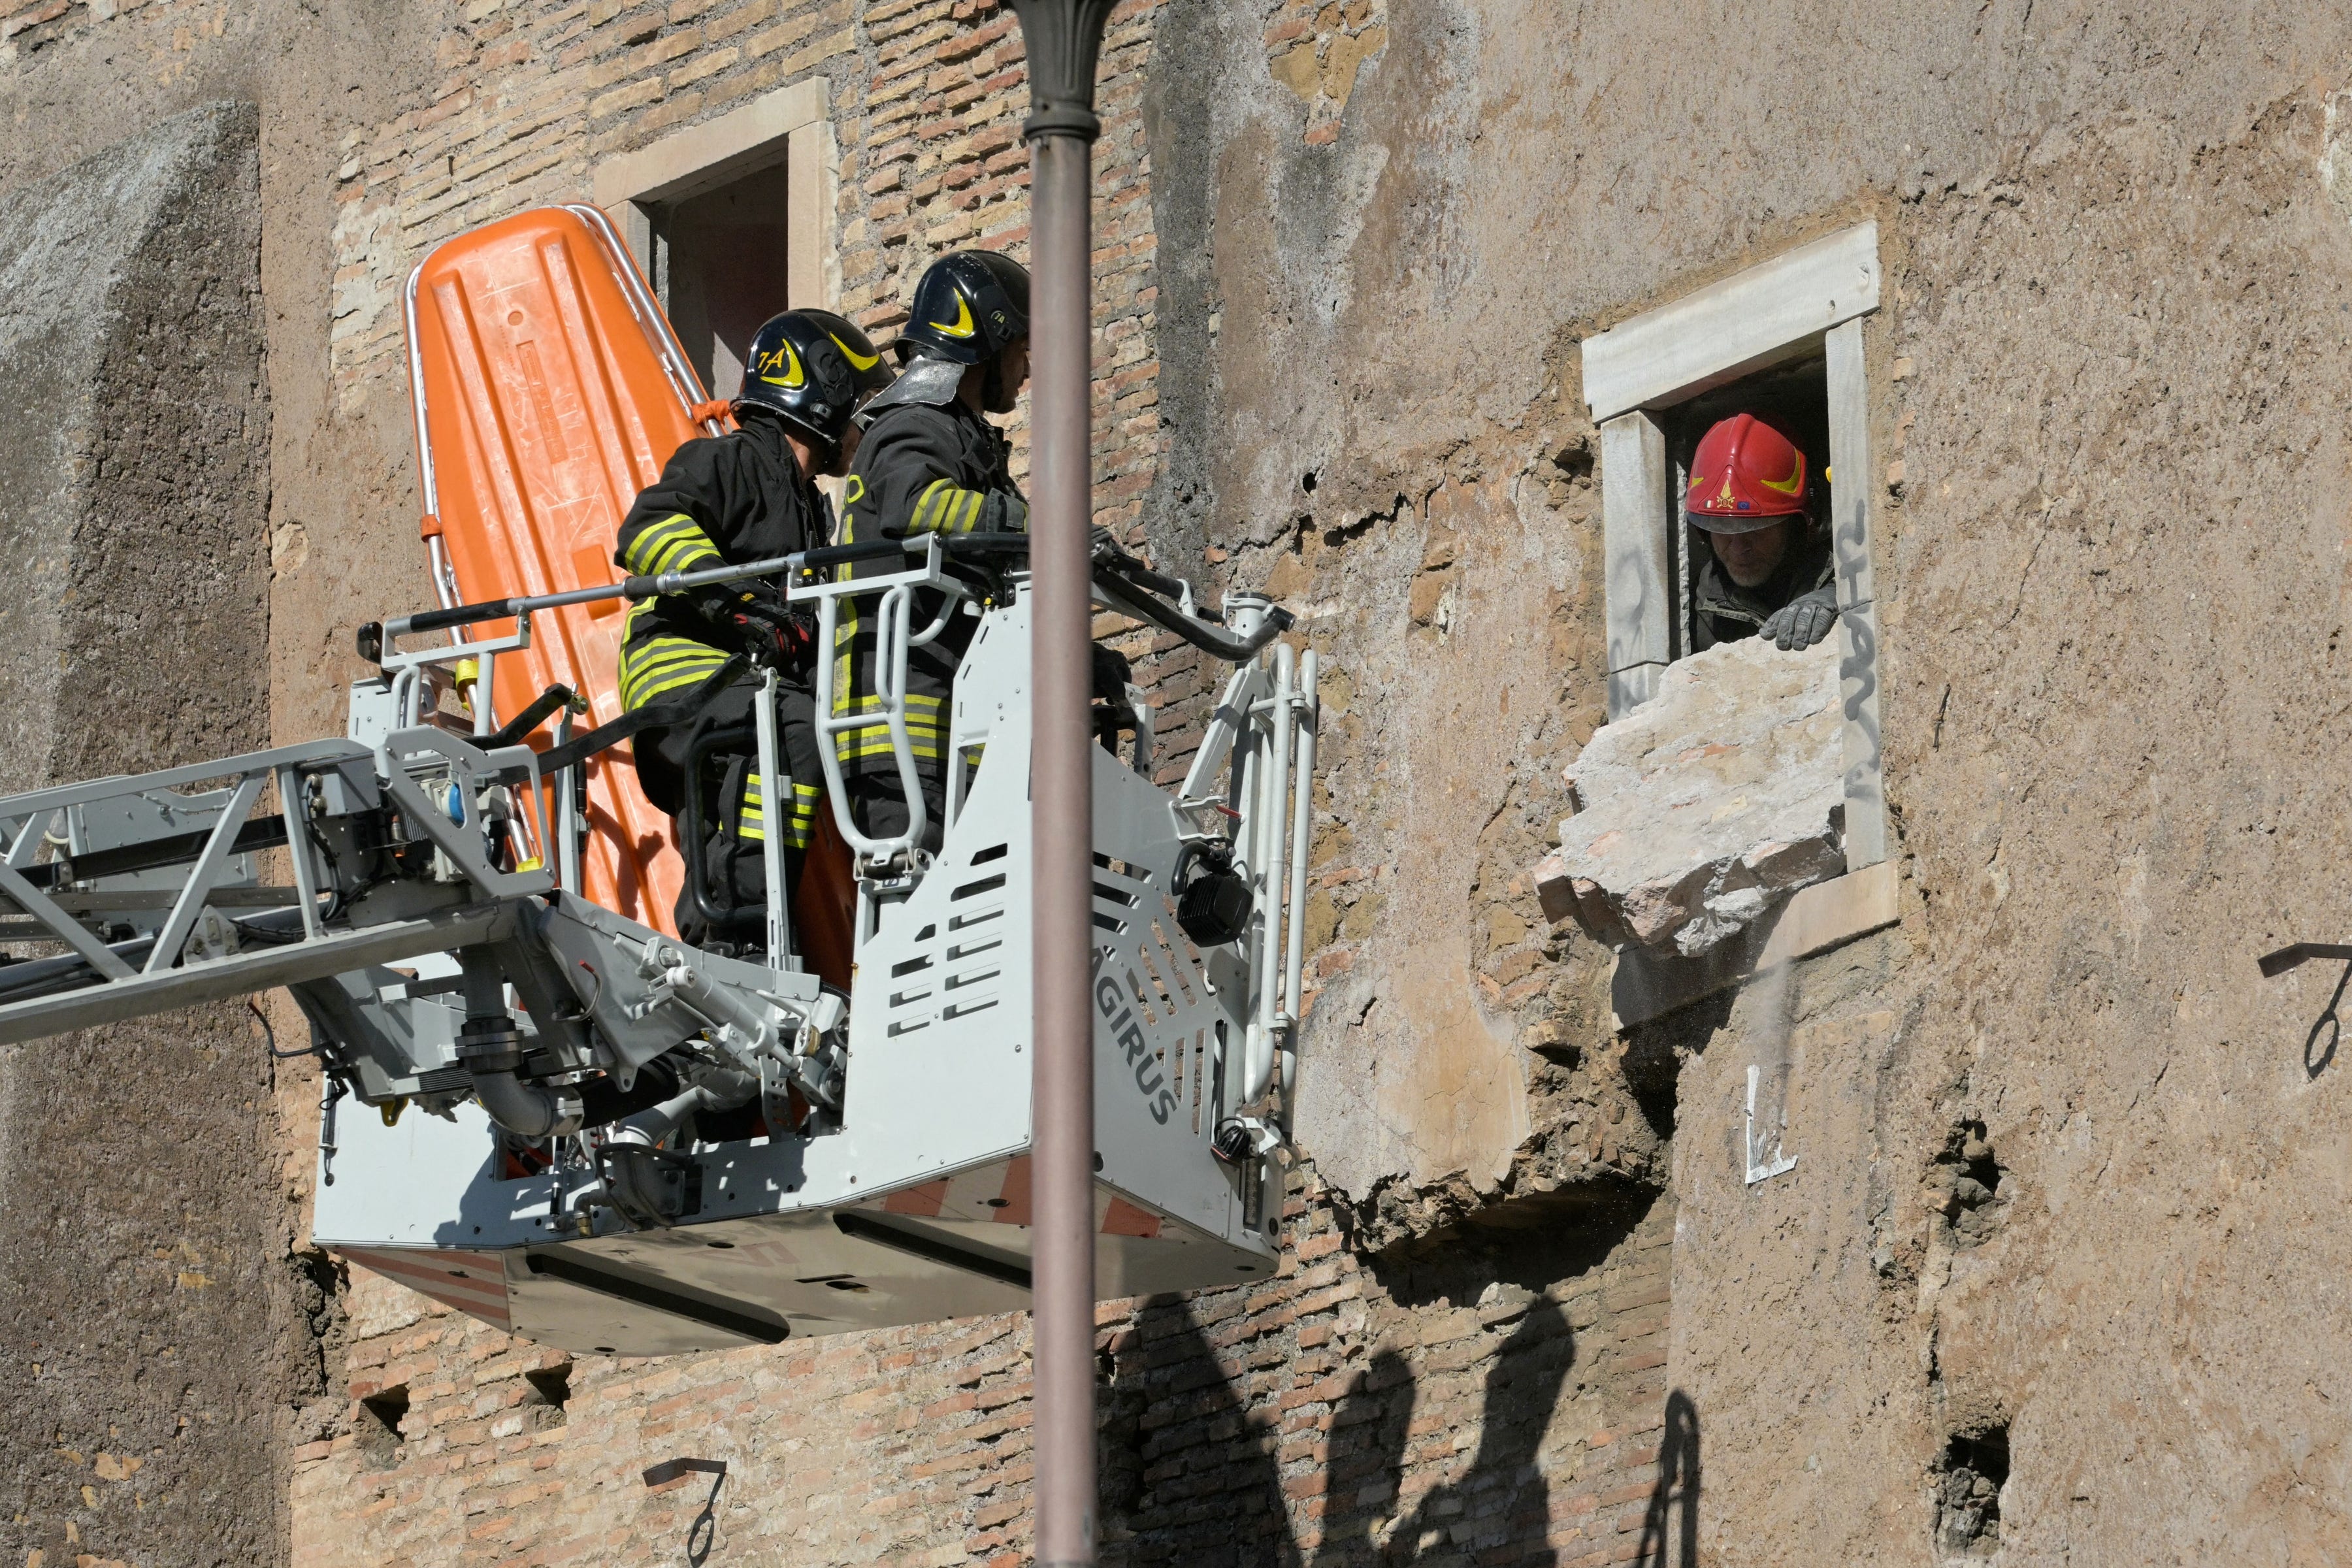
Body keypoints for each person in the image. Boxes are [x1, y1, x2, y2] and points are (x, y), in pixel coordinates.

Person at [612, 308, 893, 948]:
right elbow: (648, 532)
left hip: (734, 688)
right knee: (794, 727)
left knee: (725, 823)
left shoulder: (807, 508)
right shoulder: (729, 461)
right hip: (686, 673)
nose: (867, 424)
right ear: (823, 391)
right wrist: (742, 603)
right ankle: (747, 925)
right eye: (862, 402)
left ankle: (718, 966)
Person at [830, 250, 1032, 853]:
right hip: (905, 722)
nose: (1027, 370)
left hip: (951, 711)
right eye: (1021, 349)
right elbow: (914, 506)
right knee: (918, 917)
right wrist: (1032, 523)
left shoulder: (960, 435)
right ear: (987, 342)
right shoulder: (914, 424)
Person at [1684, 412, 1840, 652]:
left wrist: (1840, 594)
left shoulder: (1843, 562)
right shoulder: (1702, 601)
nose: (1738, 548)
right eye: (1722, 531)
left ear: (1795, 526)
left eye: (1756, 530)